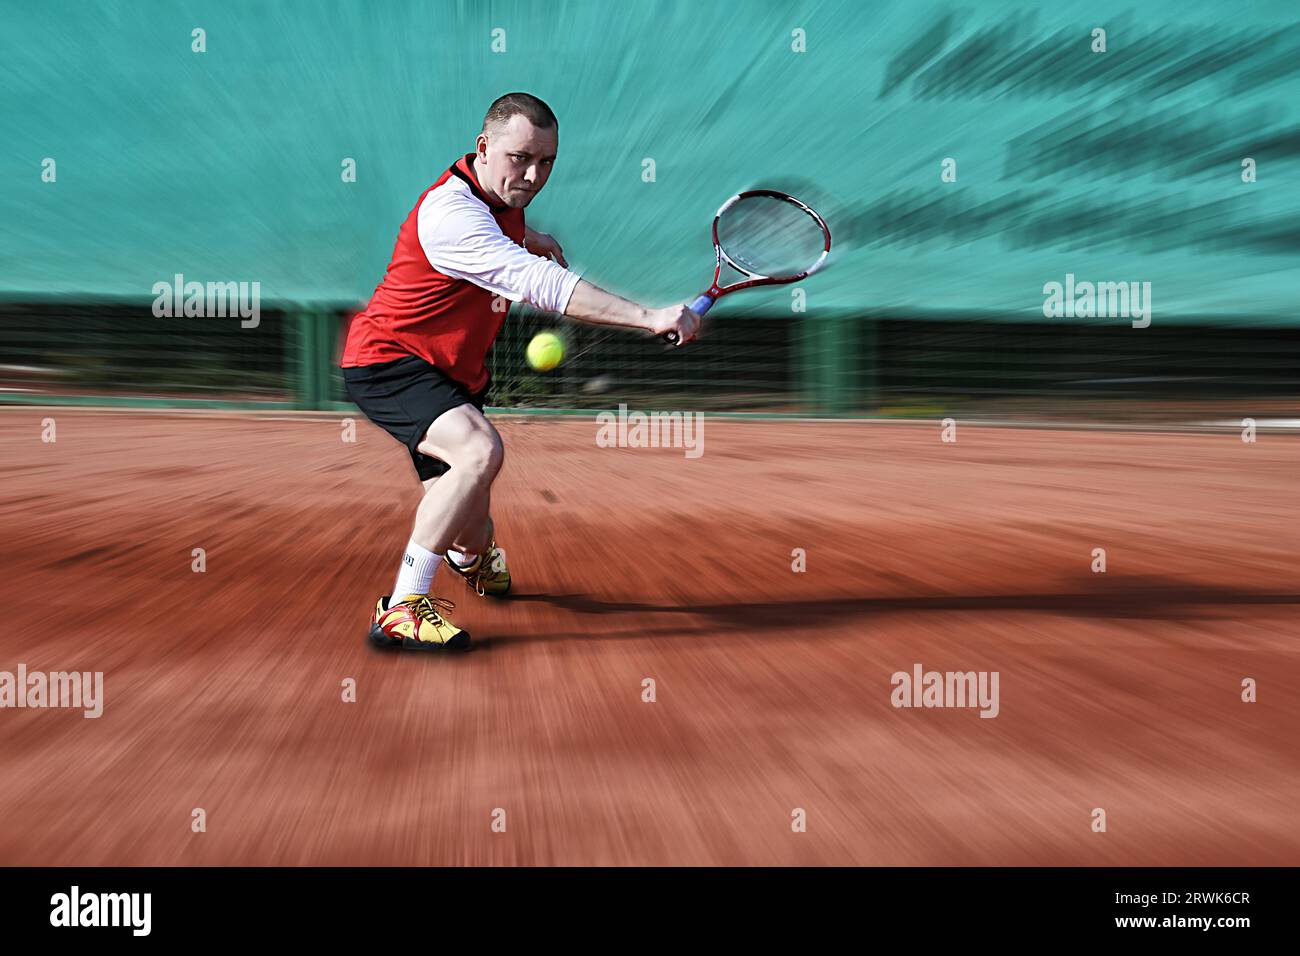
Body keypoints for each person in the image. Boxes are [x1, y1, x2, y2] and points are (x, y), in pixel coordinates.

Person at [340, 92, 701, 651]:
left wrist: (527, 236)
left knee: (472, 521)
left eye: (547, 162)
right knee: (481, 450)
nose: (533, 175)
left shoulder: (494, 197)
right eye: (520, 158)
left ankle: (470, 556)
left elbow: (504, 236)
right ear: (483, 147)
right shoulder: (451, 214)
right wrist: (648, 316)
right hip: (390, 362)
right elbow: (542, 285)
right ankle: (403, 607)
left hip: (453, 376)